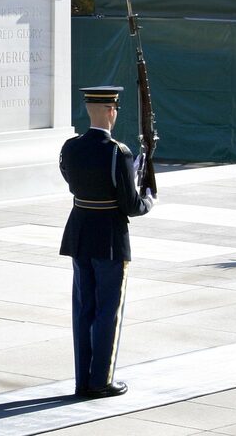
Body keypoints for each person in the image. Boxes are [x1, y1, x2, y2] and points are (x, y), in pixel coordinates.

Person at [59, 86, 155, 398]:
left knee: (84, 307)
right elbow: (130, 205)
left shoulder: (70, 147)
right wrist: (148, 199)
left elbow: (72, 180)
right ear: (110, 111)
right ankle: (100, 380)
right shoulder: (118, 152)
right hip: (110, 238)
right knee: (107, 310)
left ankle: (82, 380)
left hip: (80, 233)